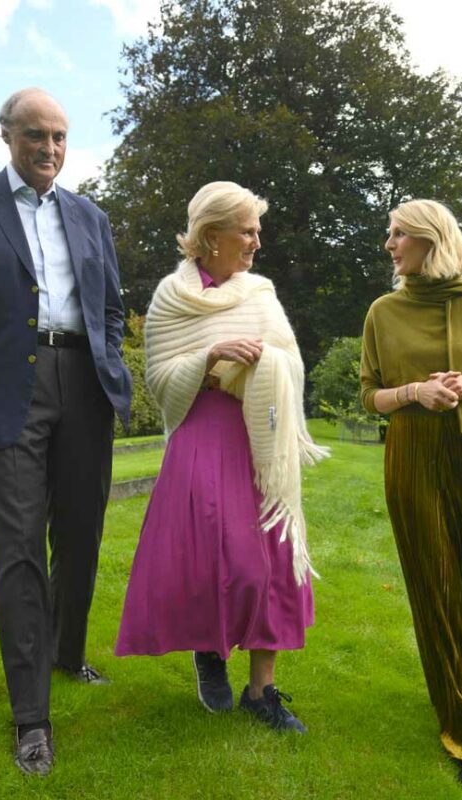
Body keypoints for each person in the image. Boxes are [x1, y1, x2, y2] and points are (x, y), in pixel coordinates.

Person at [0, 87, 132, 776]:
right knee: (18, 549)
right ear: (7, 136)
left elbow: (110, 307)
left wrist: (109, 367)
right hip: (4, 391)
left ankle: (67, 655)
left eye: (60, 136)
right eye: (36, 135)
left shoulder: (90, 216)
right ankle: (31, 717)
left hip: (85, 385)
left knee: (80, 533)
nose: (49, 148)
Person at [115, 181, 327, 733]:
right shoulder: (172, 295)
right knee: (217, 554)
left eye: (258, 230)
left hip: (260, 434)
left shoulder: (260, 292)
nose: (257, 241)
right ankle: (209, 649)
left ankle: (262, 690)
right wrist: (210, 357)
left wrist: (262, 364)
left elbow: (291, 362)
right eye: (247, 231)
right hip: (203, 430)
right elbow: (160, 378)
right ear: (212, 236)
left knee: (270, 560)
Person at [359, 199, 462, 790]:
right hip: (413, 456)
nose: (389, 244)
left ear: (431, 239)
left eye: (399, 233)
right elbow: (370, 395)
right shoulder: (383, 311)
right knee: (437, 586)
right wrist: (414, 394)